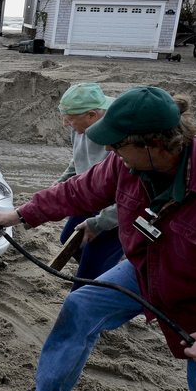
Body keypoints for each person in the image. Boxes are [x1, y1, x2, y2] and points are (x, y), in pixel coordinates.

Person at [0, 86, 196, 391]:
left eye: (117, 143)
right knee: (81, 306)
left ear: (154, 144)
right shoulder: (126, 164)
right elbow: (77, 191)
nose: (109, 150)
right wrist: (17, 215)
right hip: (147, 268)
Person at [54, 83, 124, 290]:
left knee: (91, 267)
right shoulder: (80, 127)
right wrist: (63, 182)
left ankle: (99, 285)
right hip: (92, 195)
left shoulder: (120, 137)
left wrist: (99, 223)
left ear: (92, 115)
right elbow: (78, 159)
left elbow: (132, 195)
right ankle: (104, 277)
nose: (66, 124)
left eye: (70, 119)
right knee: (69, 239)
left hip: (117, 210)